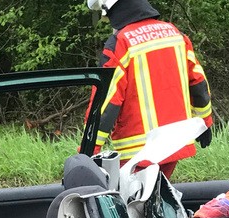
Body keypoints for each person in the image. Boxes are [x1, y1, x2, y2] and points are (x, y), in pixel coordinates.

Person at [87, 0, 214, 178]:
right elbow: (198, 83)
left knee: (134, 204)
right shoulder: (175, 34)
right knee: (159, 198)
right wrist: (205, 122)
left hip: (137, 152)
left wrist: (88, 150)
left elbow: (107, 102)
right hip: (175, 143)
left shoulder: (120, 43)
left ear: (110, 9)